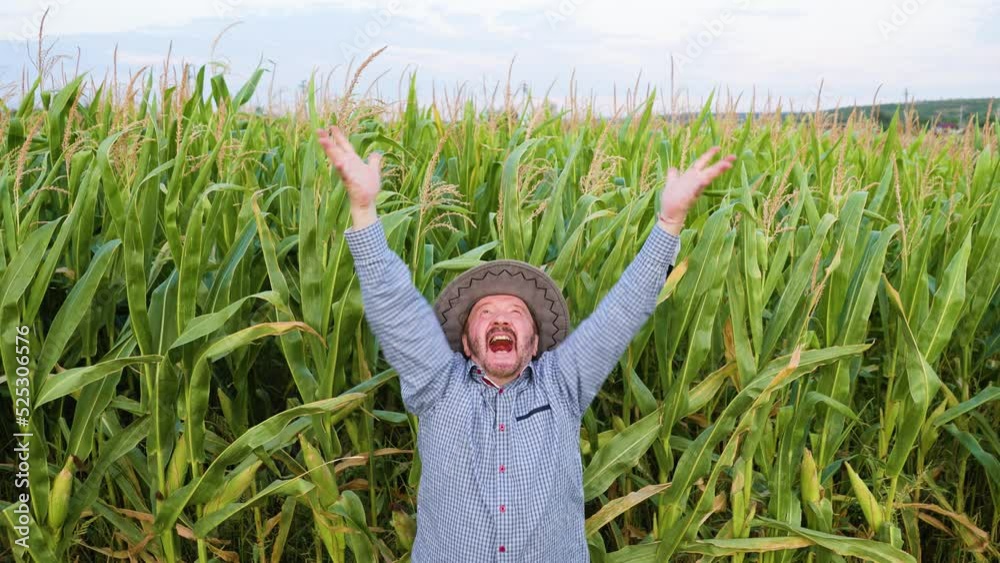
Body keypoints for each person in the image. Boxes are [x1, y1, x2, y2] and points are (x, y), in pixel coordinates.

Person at [317, 125, 734, 562]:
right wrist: (362, 209)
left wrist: (669, 224)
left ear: (535, 343)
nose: (501, 318)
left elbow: (622, 311)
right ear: (465, 340)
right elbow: (394, 305)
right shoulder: (436, 383)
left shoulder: (563, 382)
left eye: (516, 313)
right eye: (486, 313)